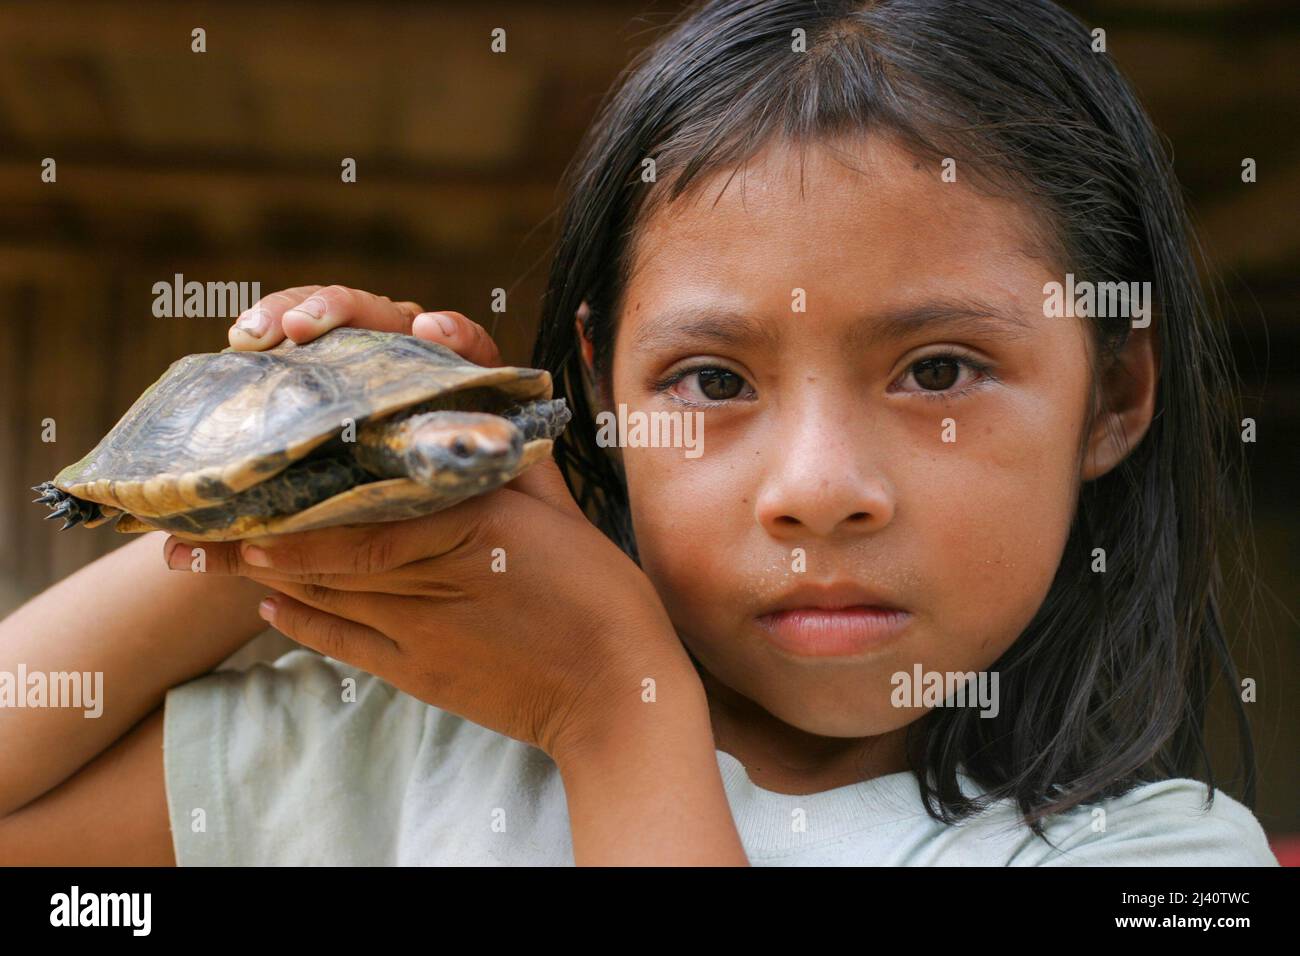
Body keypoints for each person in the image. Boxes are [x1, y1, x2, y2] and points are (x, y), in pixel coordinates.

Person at [0, 0, 1278, 865]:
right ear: (600, 395)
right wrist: (316, 469)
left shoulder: (1163, 856)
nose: (819, 489)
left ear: (1110, 397)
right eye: (714, 380)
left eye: (938, 366)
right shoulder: (400, 735)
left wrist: (620, 707)